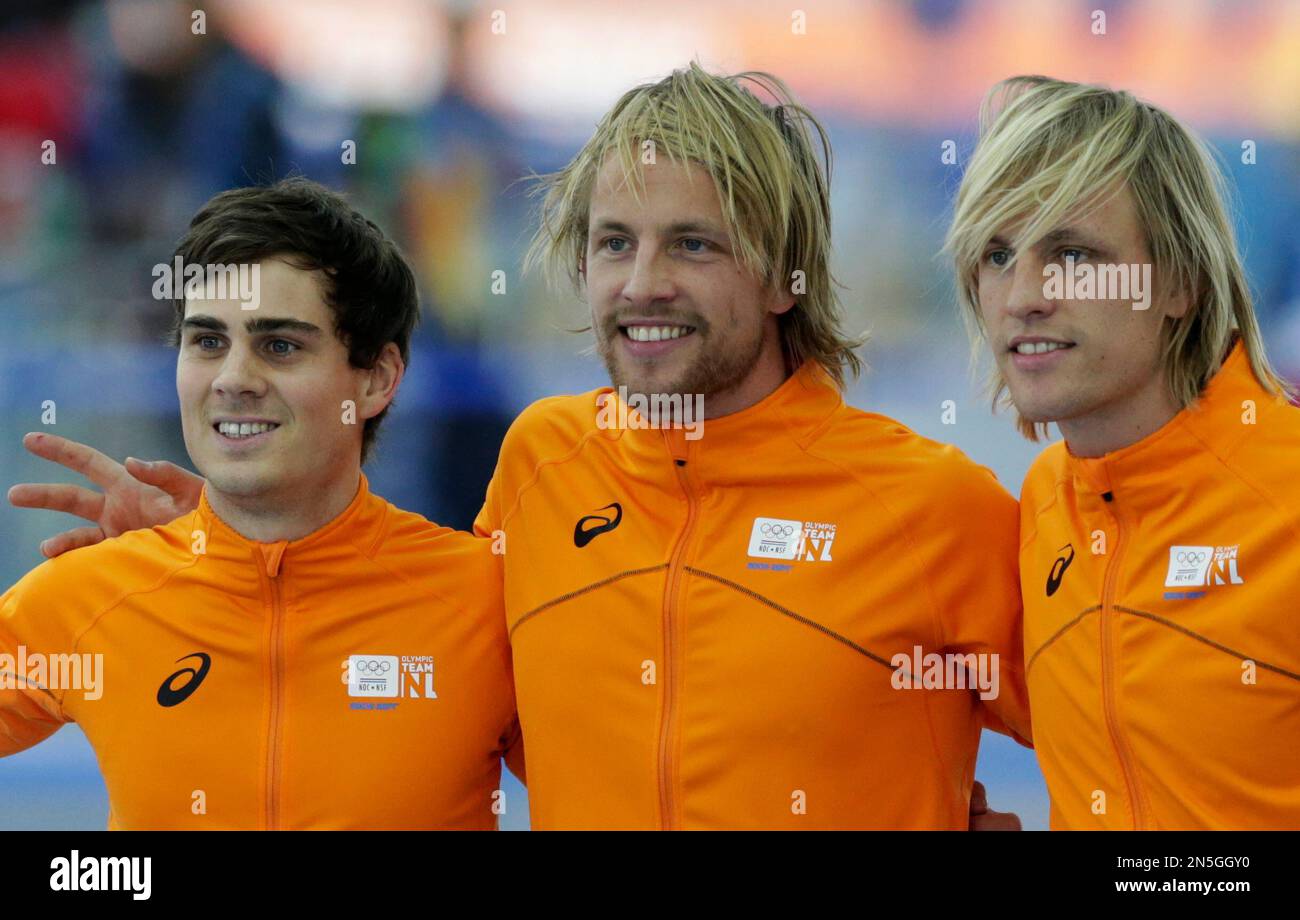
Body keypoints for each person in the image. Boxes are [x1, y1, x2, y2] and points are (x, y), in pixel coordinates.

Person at [14, 67, 1027, 830]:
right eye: (613, 242)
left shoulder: (933, 506)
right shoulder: (545, 459)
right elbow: (419, 622)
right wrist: (224, 537)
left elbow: (1131, 719)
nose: (642, 283)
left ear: (781, 278)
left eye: (694, 243)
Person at [1, 177, 520, 829]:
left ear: (377, 378)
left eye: (280, 345)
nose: (234, 380)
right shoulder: (88, 595)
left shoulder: (486, 602)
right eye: (208, 341)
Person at [946, 75, 1300, 829]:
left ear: (1181, 282)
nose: (1022, 297)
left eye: (1072, 254)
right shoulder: (1046, 500)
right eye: (998, 254)